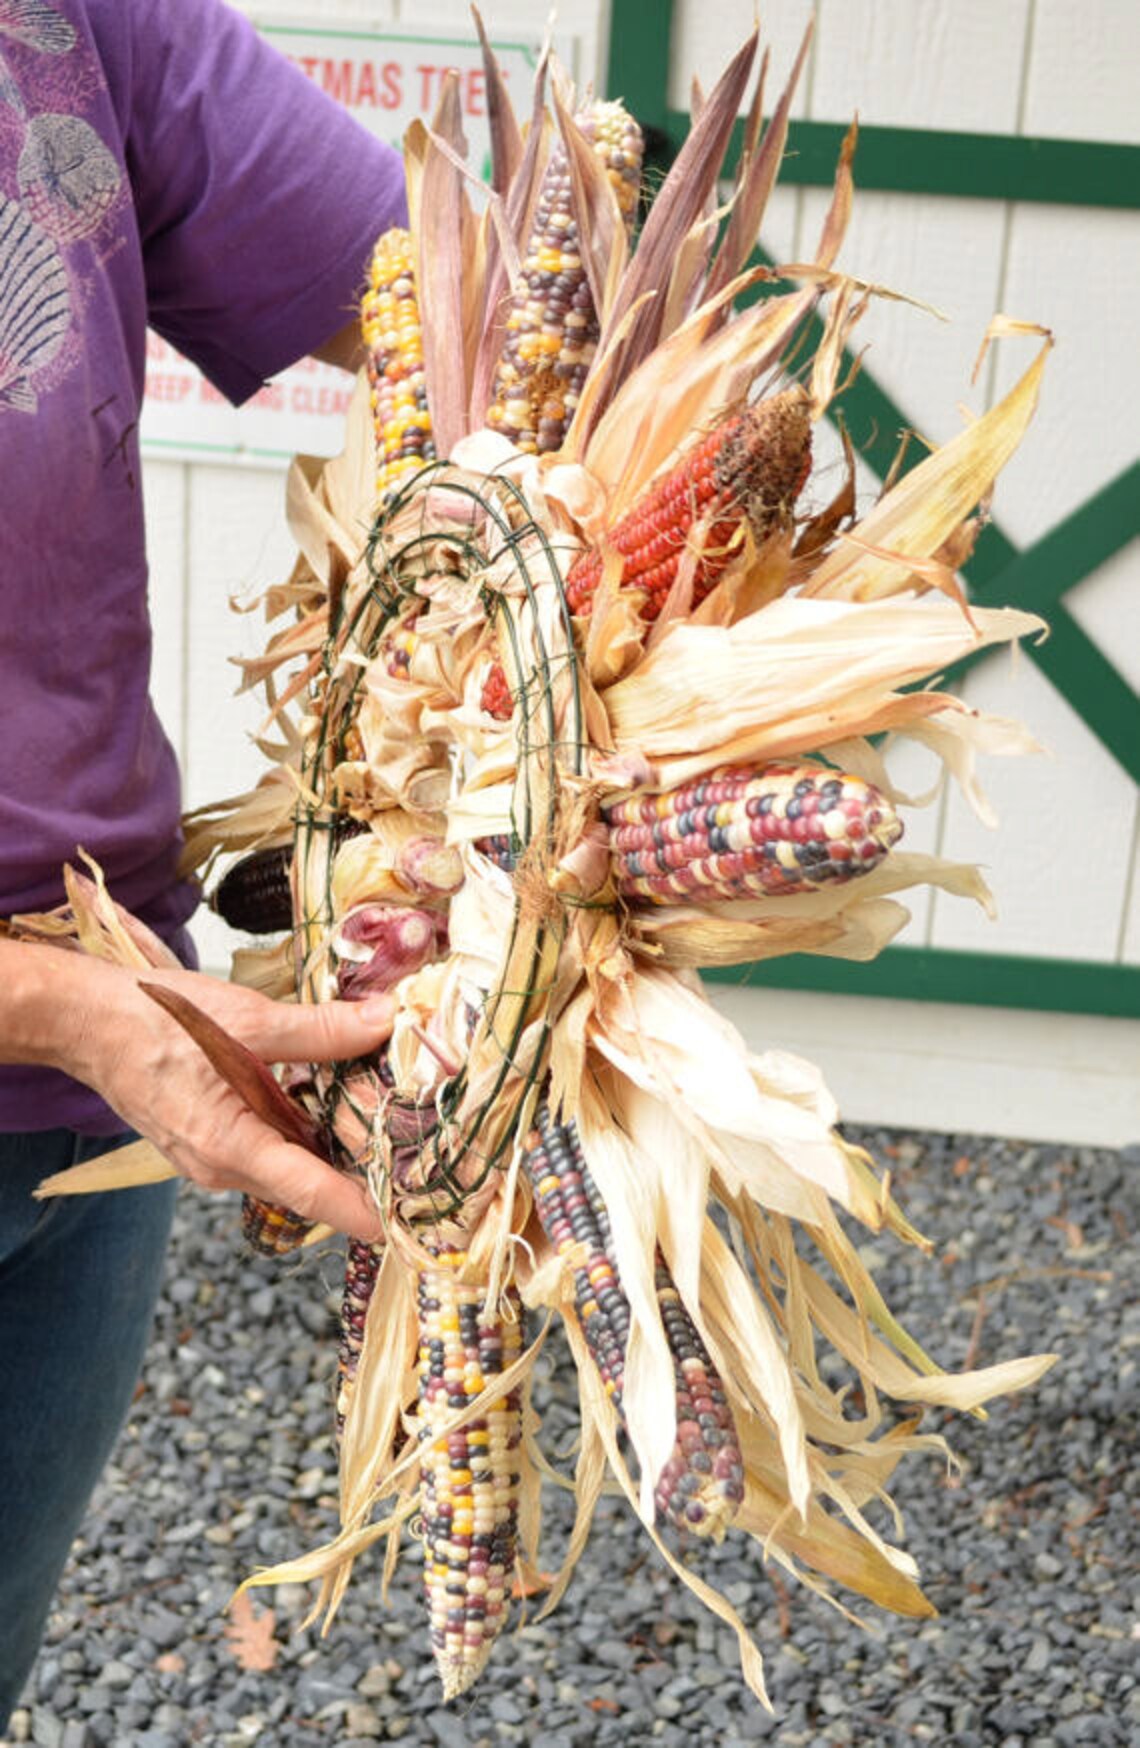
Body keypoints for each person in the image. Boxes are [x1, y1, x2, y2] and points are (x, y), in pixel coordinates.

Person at [0, 0, 412, 1723]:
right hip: (102, 1032)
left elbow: (439, 301)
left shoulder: (60, 26)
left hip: (93, 1124)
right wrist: (65, 1007)